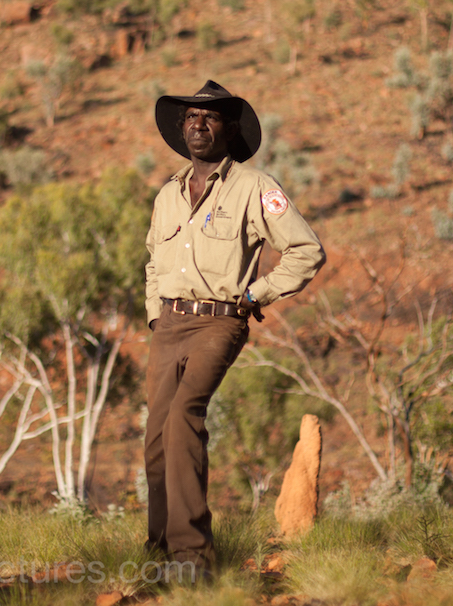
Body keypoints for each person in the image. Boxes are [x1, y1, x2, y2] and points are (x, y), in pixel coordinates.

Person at [143, 80, 325, 578]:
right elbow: (153, 263)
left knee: (183, 416)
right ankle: (158, 549)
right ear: (181, 131)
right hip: (169, 323)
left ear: (229, 129)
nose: (198, 124)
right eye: (191, 118)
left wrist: (254, 295)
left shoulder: (255, 187)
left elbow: (307, 251)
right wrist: (155, 314)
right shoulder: (166, 195)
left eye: (210, 117)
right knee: (157, 435)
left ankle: (192, 558)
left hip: (219, 322)